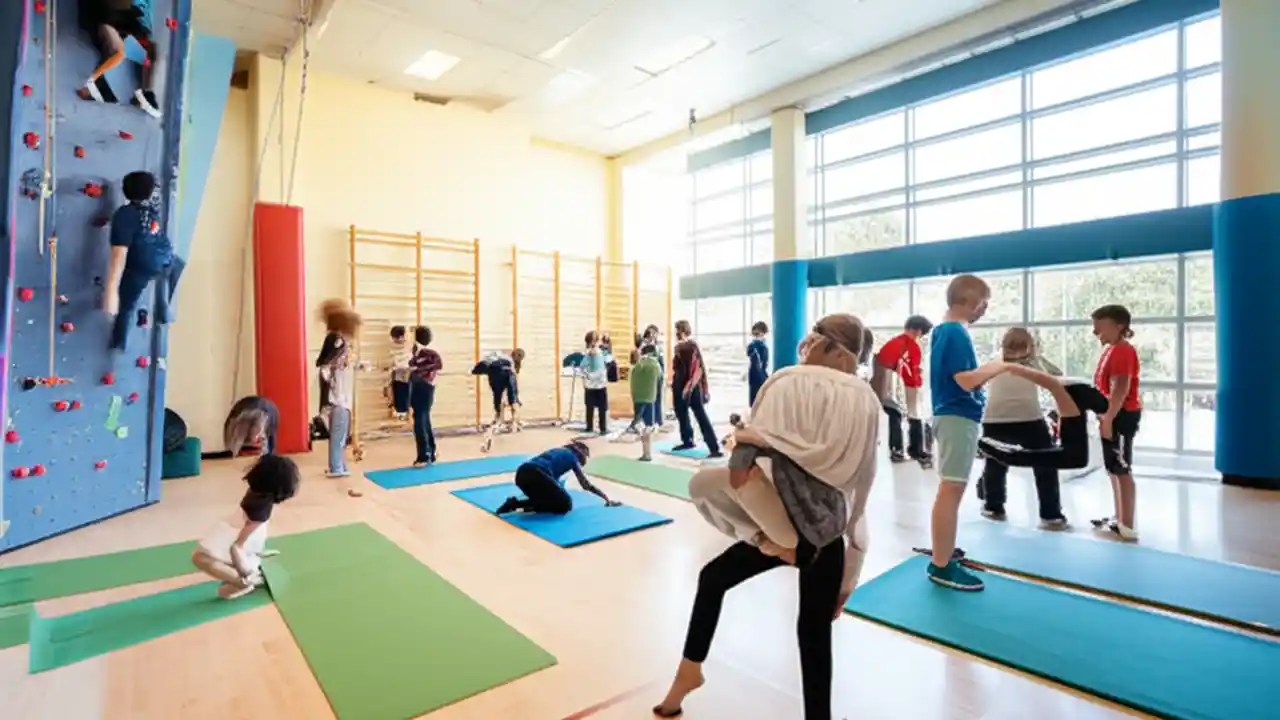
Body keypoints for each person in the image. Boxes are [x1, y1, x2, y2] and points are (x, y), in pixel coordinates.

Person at [655, 314, 880, 720]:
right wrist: (850, 573)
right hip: (809, 531)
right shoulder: (859, 398)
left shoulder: (790, 381)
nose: (804, 347)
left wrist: (742, 457)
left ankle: (784, 548)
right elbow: (859, 492)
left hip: (796, 529)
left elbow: (754, 443)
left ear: (832, 348)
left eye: (812, 340)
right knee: (802, 626)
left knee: (804, 626)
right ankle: (687, 675)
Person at [926, 275, 1011, 592]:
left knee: (951, 489)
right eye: (984, 305)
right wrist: (1003, 364)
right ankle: (941, 564)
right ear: (970, 301)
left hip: (955, 416)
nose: (984, 311)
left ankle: (944, 555)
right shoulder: (954, 332)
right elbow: (965, 380)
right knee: (951, 490)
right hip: (956, 417)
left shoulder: (945, 331)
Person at [977, 328, 1069, 529]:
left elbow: (1058, 376)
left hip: (1025, 418)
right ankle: (996, 506)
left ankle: (1048, 513)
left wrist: (1035, 357)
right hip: (1004, 419)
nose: (1017, 350)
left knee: (1039, 464)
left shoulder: (1031, 363)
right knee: (997, 465)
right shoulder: (997, 362)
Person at [191, 454, 300, 599]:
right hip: (242, 533)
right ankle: (248, 566)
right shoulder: (260, 495)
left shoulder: (259, 508)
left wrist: (245, 574)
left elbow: (236, 547)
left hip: (241, 538)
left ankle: (245, 582)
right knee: (208, 559)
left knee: (200, 559)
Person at [979, 367, 1109, 470]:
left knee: (1075, 458)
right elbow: (1049, 381)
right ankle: (1008, 455)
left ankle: (1008, 454)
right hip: (1078, 392)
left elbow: (1049, 379)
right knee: (1075, 458)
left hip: (1078, 391)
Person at [104, 171, 178, 351]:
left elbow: (119, 254)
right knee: (172, 268)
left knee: (126, 304)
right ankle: (164, 308)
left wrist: (111, 290)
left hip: (142, 266)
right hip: (165, 257)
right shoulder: (152, 208)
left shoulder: (125, 215)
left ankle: (118, 342)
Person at [1089, 304, 1142, 541]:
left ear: (1119, 326)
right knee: (1113, 467)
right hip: (1112, 414)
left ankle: (1127, 524)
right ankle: (1119, 517)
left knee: (1121, 468)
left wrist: (1109, 418)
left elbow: (1121, 388)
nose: (1096, 333)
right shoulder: (1112, 350)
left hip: (1120, 415)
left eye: (1100, 329)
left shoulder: (1123, 351)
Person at [77, 0, 163, 118]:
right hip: (103, 15)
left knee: (149, 50)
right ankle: (90, 85)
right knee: (118, 52)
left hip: (120, 17)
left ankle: (145, 94)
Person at [871, 315, 933, 465]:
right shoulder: (910, 345)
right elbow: (912, 370)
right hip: (902, 385)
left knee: (895, 416)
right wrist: (916, 385)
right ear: (918, 330)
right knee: (914, 415)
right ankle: (914, 449)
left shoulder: (893, 343)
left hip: (885, 384)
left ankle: (897, 449)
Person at [495, 442, 620, 515]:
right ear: (579, 451)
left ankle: (514, 504)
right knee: (565, 504)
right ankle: (516, 504)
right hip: (537, 475)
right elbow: (586, 485)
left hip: (522, 475)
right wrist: (605, 498)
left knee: (552, 497)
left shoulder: (558, 451)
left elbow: (554, 483)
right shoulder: (572, 457)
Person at [317, 300, 361, 477]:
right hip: (338, 397)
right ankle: (337, 467)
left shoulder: (340, 342)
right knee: (338, 434)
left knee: (340, 434)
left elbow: (326, 364)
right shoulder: (337, 341)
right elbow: (324, 364)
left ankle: (339, 465)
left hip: (339, 395)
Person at [671, 320, 722, 458]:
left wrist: (695, 387)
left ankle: (713, 447)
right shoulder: (686, 347)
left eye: (677, 330)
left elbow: (696, 369)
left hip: (689, 386)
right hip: (687, 385)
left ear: (681, 331)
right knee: (684, 414)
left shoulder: (687, 347)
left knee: (699, 415)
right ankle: (691, 441)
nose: (676, 333)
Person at [409, 326, 443, 466]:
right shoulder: (418, 352)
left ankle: (424, 455)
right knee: (423, 418)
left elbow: (437, 365)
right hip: (420, 386)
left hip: (424, 387)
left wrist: (417, 369)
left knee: (420, 420)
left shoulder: (428, 353)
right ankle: (431, 452)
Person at [630, 344, 662, 461]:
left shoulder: (637, 365)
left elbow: (633, 383)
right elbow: (659, 381)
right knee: (648, 426)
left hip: (638, 398)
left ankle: (645, 452)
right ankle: (647, 452)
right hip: (650, 399)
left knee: (639, 424)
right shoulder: (656, 365)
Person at [579, 331, 610, 434]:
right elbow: (583, 367)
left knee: (596, 408)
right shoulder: (592, 353)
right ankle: (597, 428)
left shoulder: (598, 352)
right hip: (595, 385)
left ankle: (596, 428)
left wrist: (588, 376)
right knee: (595, 407)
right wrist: (589, 376)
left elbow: (608, 360)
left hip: (596, 384)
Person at [388, 325, 411, 420]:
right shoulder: (391, 348)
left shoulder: (409, 347)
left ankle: (404, 413)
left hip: (407, 377)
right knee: (398, 394)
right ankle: (400, 412)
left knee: (404, 395)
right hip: (397, 377)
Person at [746, 321, 770, 408]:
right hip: (757, 374)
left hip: (756, 374)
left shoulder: (758, 346)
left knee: (756, 399)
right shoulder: (759, 346)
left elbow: (763, 363)